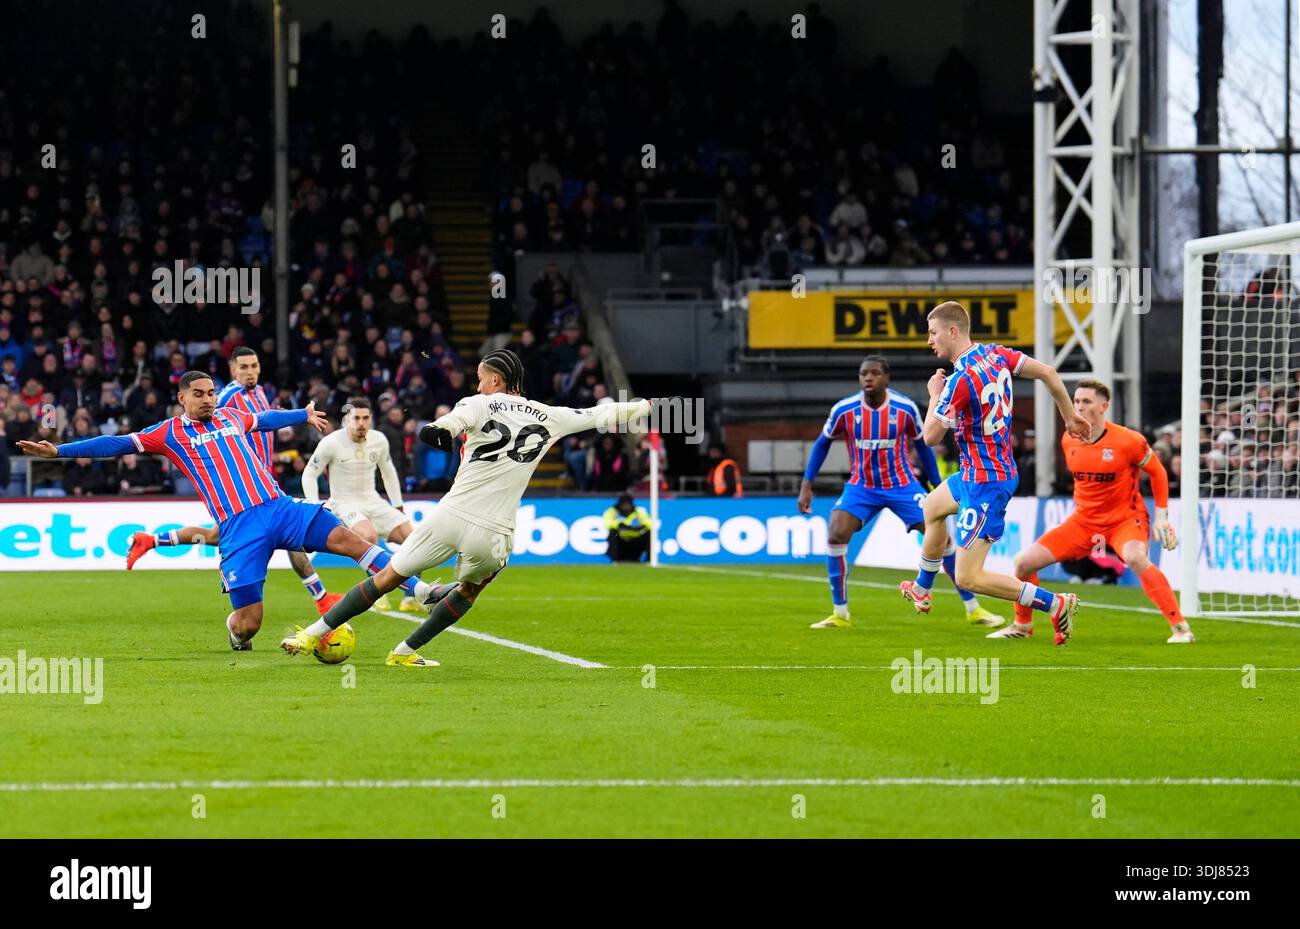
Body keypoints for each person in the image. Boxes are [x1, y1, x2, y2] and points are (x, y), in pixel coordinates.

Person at [279, 349, 651, 668]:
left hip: (449, 515)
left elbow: (443, 427)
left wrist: (438, 432)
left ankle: (310, 636)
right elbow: (600, 416)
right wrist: (643, 407)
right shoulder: (551, 415)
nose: (476, 385)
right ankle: (405, 652)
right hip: (494, 531)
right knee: (470, 590)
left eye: (480, 378)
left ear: (494, 381)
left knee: (386, 578)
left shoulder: (477, 403)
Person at [18, 372, 433, 650]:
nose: (208, 400)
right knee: (250, 622)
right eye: (198, 394)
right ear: (181, 399)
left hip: (278, 507)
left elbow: (265, 419)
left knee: (350, 539)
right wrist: (60, 451)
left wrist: (301, 415)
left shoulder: (233, 415)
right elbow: (116, 445)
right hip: (238, 528)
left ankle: (419, 590)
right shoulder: (168, 432)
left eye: (211, 393)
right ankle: (235, 633)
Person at [899, 301, 1091, 644]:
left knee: (969, 577)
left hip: (986, 481)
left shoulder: (958, 381)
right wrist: (1068, 416)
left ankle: (1056, 602)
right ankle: (922, 589)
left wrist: (934, 396)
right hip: (981, 470)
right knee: (931, 507)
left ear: (953, 330)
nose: (929, 341)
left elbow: (929, 437)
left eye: (932, 333)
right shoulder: (996, 354)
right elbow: (1048, 371)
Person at [121, 346, 344, 615]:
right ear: (233, 370)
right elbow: (207, 431)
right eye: (244, 367)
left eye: (254, 366)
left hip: (262, 479)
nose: (250, 372)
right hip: (239, 486)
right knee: (288, 536)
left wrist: (292, 422)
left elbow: (263, 423)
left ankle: (151, 541)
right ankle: (321, 597)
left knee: (216, 535)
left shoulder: (260, 392)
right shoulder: (224, 399)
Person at [799, 355, 1004, 629]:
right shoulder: (844, 410)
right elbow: (823, 443)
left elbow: (923, 446)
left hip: (902, 486)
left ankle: (973, 609)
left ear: (886, 378)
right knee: (836, 533)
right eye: (863, 374)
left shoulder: (905, 408)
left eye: (874, 373)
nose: (868, 378)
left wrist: (935, 484)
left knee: (942, 541)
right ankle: (840, 613)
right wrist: (806, 483)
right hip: (862, 487)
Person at [990, 380, 1192, 643]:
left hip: (1125, 520)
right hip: (1083, 523)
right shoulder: (1068, 438)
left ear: (1103, 406)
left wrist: (1162, 518)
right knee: (1024, 563)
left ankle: (1180, 628)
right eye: (1076, 401)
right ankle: (1022, 626)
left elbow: (1158, 472)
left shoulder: (1128, 440)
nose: (1079, 406)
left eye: (1086, 401)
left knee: (1136, 558)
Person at [302, 396, 427, 613]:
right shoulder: (331, 442)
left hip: (373, 500)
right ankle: (378, 593)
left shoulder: (379, 440)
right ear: (346, 420)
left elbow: (389, 474)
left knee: (415, 540)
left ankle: (409, 597)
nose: (361, 423)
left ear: (371, 419)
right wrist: (314, 506)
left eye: (365, 418)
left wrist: (397, 505)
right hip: (344, 502)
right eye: (356, 418)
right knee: (368, 536)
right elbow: (309, 474)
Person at [603, 493, 651, 563]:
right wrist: (619, 525)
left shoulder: (639, 511)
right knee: (612, 533)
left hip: (636, 539)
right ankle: (615, 560)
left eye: (628, 504)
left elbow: (648, 522)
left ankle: (648, 560)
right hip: (620, 539)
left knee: (649, 533)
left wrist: (641, 527)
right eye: (624, 504)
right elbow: (607, 523)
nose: (626, 506)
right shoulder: (612, 511)